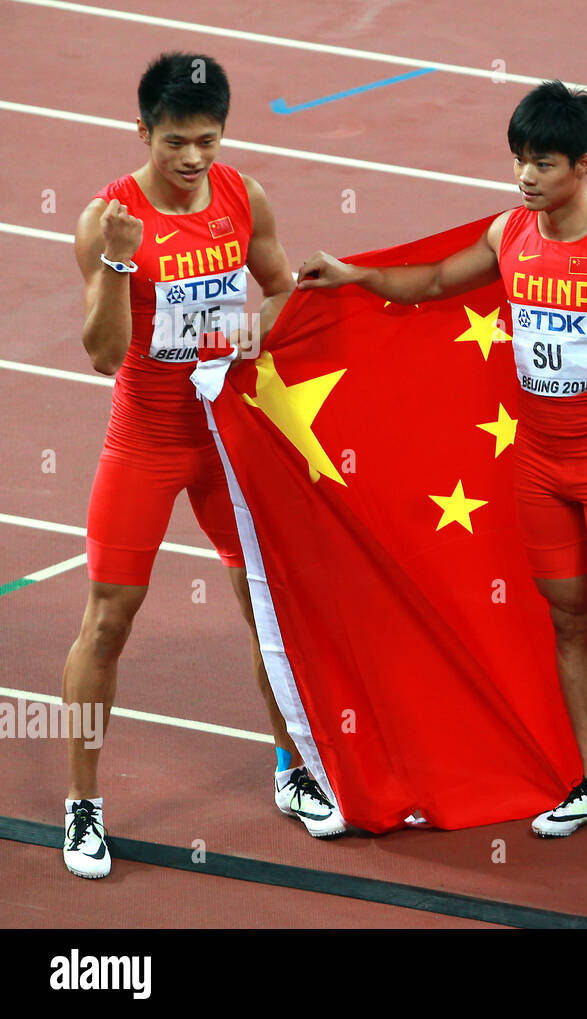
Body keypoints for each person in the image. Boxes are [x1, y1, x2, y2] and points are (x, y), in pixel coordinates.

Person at [298, 80, 587, 877]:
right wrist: (356, 276)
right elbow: (440, 281)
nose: (525, 176)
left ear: (583, 164)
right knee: (568, 621)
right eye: (519, 160)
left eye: (543, 164)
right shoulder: (510, 231)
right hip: (540, 464)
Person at [63, 52, 344, 880]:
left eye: (208, 142)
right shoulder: (105, 219)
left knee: (269, 607)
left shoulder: (240, 196)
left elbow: (280, 286)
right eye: (177, 141)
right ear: (142, 130)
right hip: (148, 436)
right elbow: (104, 356)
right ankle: (83, 807)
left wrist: (265, 324)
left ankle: (293, 768)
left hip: (227, 438)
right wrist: (118, 263)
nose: (192, 159)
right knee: (108, 620)